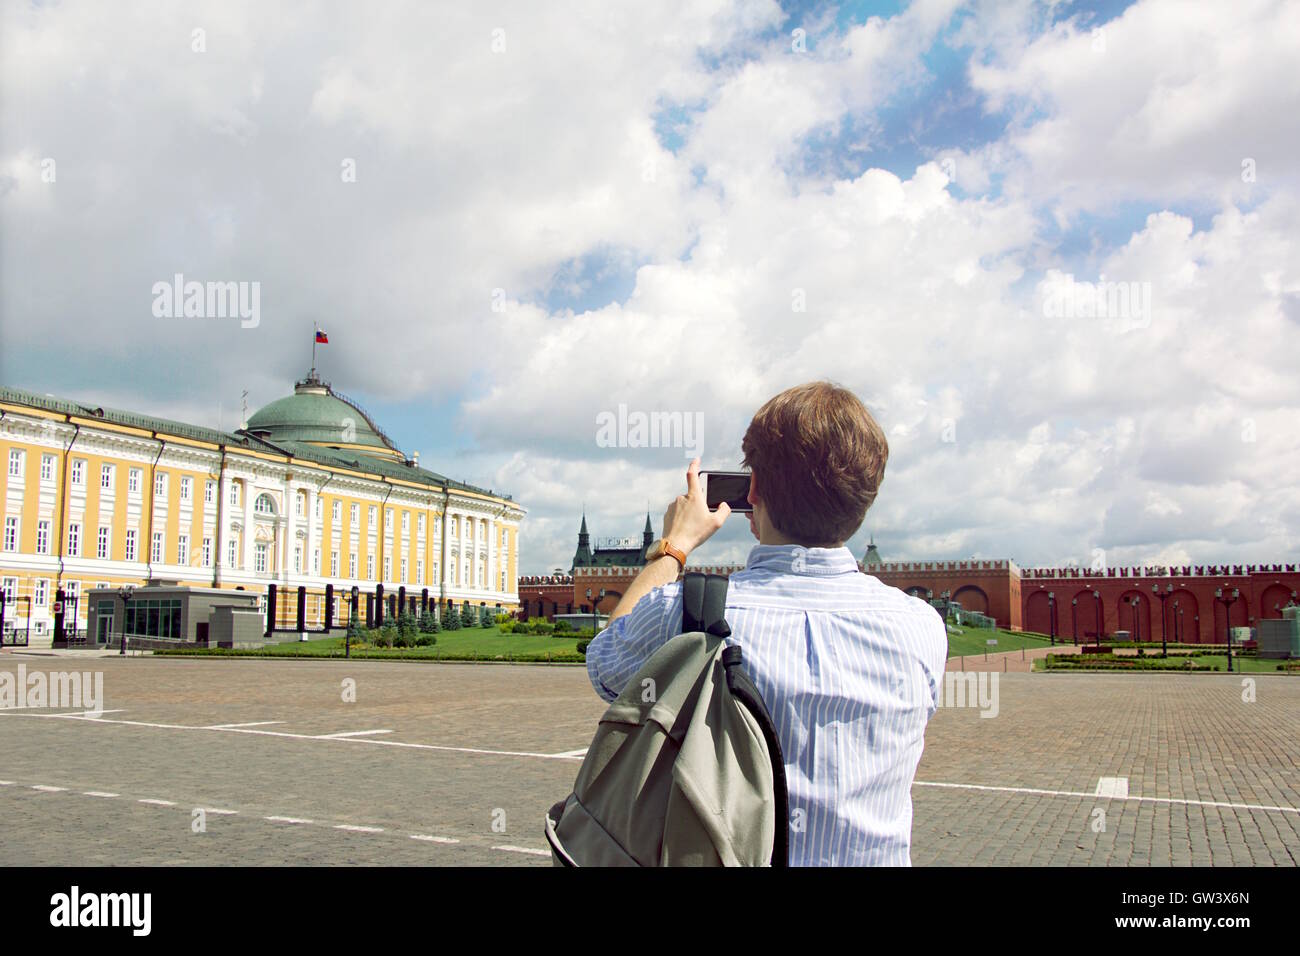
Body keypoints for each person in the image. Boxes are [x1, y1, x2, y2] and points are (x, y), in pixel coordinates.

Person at [584, 381, 948, 866]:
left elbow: (605, 665)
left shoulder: (685, 611)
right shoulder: (921, 628)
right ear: (864, 501)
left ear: (752, 490)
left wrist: (673, 547)